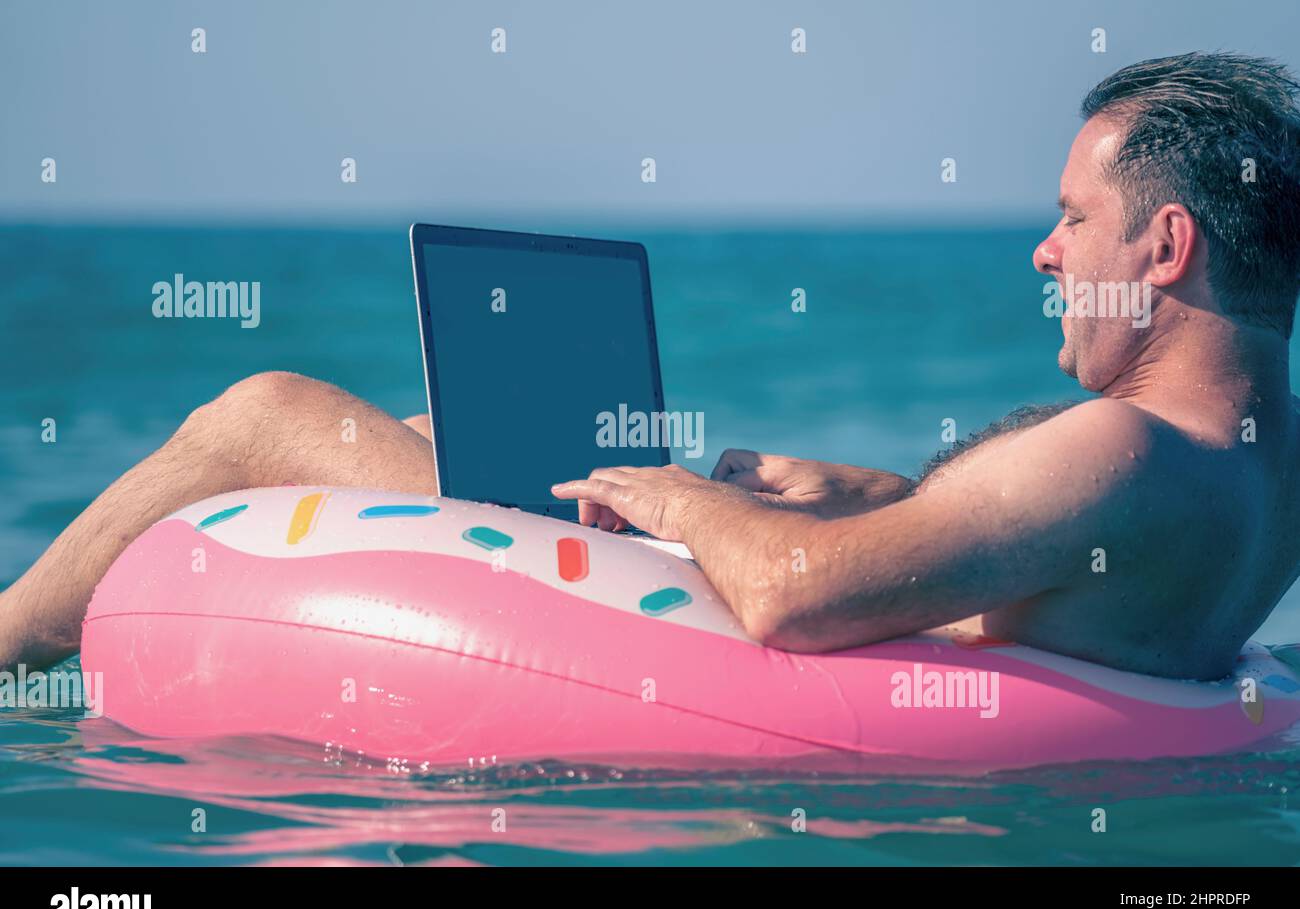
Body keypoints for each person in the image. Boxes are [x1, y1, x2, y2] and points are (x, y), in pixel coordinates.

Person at [4, 53, 1298, 680]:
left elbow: (792, 600)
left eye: (1073, 219)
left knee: (268, 412)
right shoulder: (1261, 464)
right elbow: (1058, 564)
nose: (1045, 252)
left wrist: (671, 495)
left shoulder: (1125, 449)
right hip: (899, 596)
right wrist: (876, 494)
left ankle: (7, 643)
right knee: (428, 425)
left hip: (766, 641)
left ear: (1167, 244)